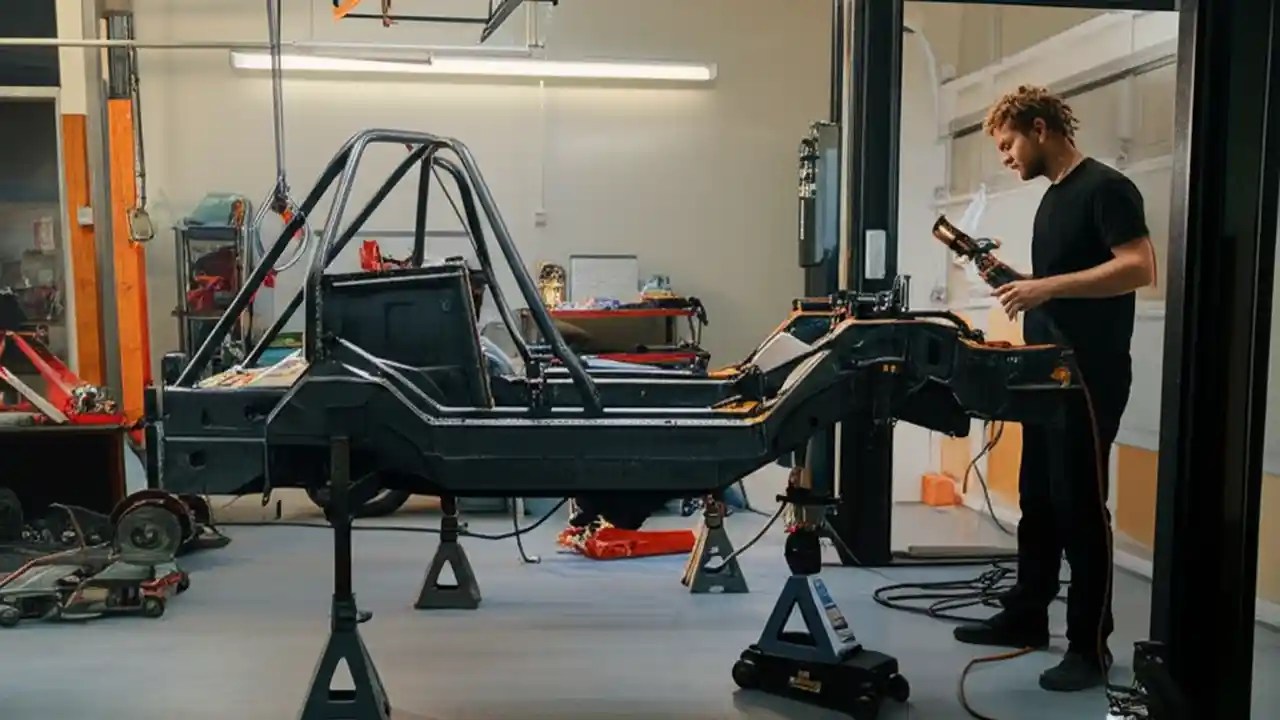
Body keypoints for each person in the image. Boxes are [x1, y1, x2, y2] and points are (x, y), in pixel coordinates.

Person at [951, 85, 1157, 692]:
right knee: (1037, 498)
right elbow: (1063, 284)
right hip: (1045, 375)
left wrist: (1044, 287)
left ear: (1039, 129)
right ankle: (1027, 615)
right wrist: (1020, 281)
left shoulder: (1107, 188)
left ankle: (1090, 647)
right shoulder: (1052, 199)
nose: (1006, 158)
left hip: (1088, 377)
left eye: (1008, 144)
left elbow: (1139, 266)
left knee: (1080, 508)